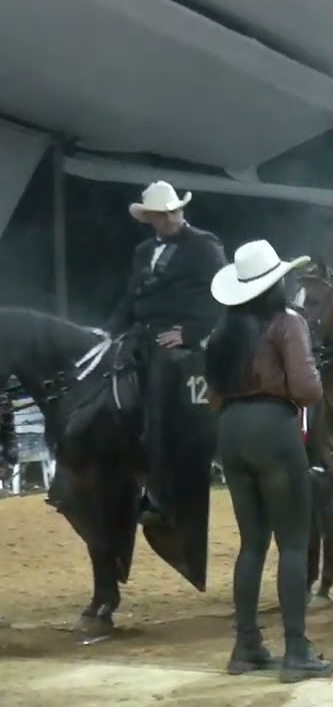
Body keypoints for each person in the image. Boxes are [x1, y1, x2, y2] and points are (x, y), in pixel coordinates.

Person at [203, 240, 330, 683]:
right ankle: (297, 649)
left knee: (251, 543)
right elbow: (308, 390)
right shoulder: (286, 323)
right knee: (292, 543)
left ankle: (246, 646)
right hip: (273, 429)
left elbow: (213, 395)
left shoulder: (222, 330)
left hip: (231, 431)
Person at [103, 181, 228, 526]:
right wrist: (107, 332)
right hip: (139, 334)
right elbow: (130, 297)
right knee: (99, 379)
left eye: (174, 210)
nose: (171, 217)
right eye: (164, 213)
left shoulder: (205, 246)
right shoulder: (143, 251)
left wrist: (190, 333)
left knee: (159, 398)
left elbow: (221, 295)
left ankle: (159, 493)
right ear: (152, 218)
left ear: (180, 210)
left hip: (178, 340)